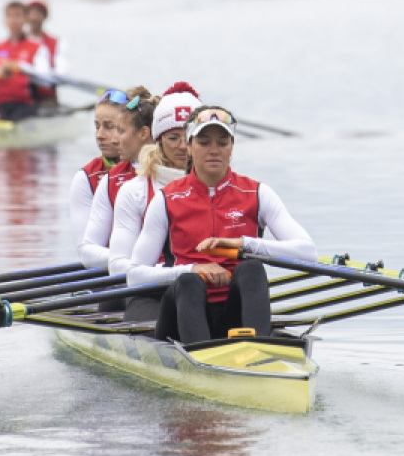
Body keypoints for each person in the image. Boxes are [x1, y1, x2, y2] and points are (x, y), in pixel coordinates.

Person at [126, 104, 316, 343]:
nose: (214, 150)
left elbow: (308, 252)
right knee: (188, 282)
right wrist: (191, 269)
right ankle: (201, 359)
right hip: (183, 312)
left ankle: (259, 349)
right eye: (204, 142)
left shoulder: (257, 193)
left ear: (232, 147)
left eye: (222, 142)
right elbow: (134, 275)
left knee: (251, 269)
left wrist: (244, 244)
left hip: (234, 313)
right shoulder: (166, 199)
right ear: (190, 147)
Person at [107, 84, 200, 320]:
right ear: (158, 140)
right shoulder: (134, 191)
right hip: (150, 291)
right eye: (173, 138)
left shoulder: (221, 188)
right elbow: (118, 267)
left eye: (189, 138)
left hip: (202, 288)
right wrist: (178, 272)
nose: (182, 146)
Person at [69, 86, 154, 260]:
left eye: (110, 127)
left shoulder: (160, 169)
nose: (100, 135)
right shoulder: (88, 177)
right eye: (97, 126)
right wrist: (135, 260)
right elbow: (85, 250)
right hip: (111, 269)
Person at [0, 0, 47, 121]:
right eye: (9, 16)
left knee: (19, 116)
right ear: (4, 20)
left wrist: (19, 67)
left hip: (26, 105)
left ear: (25, 20)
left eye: (17, 16)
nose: (13, 20)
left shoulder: (37, 47)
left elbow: (46, 79)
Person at [24, 0, 69, 109]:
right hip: (22, 96)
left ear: (44, 17)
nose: (34, 18)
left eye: (38, 14)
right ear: (26, 18)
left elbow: (62, 71)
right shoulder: (17, 42)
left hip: (46, 95)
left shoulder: (56, 43)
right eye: (31, 14)